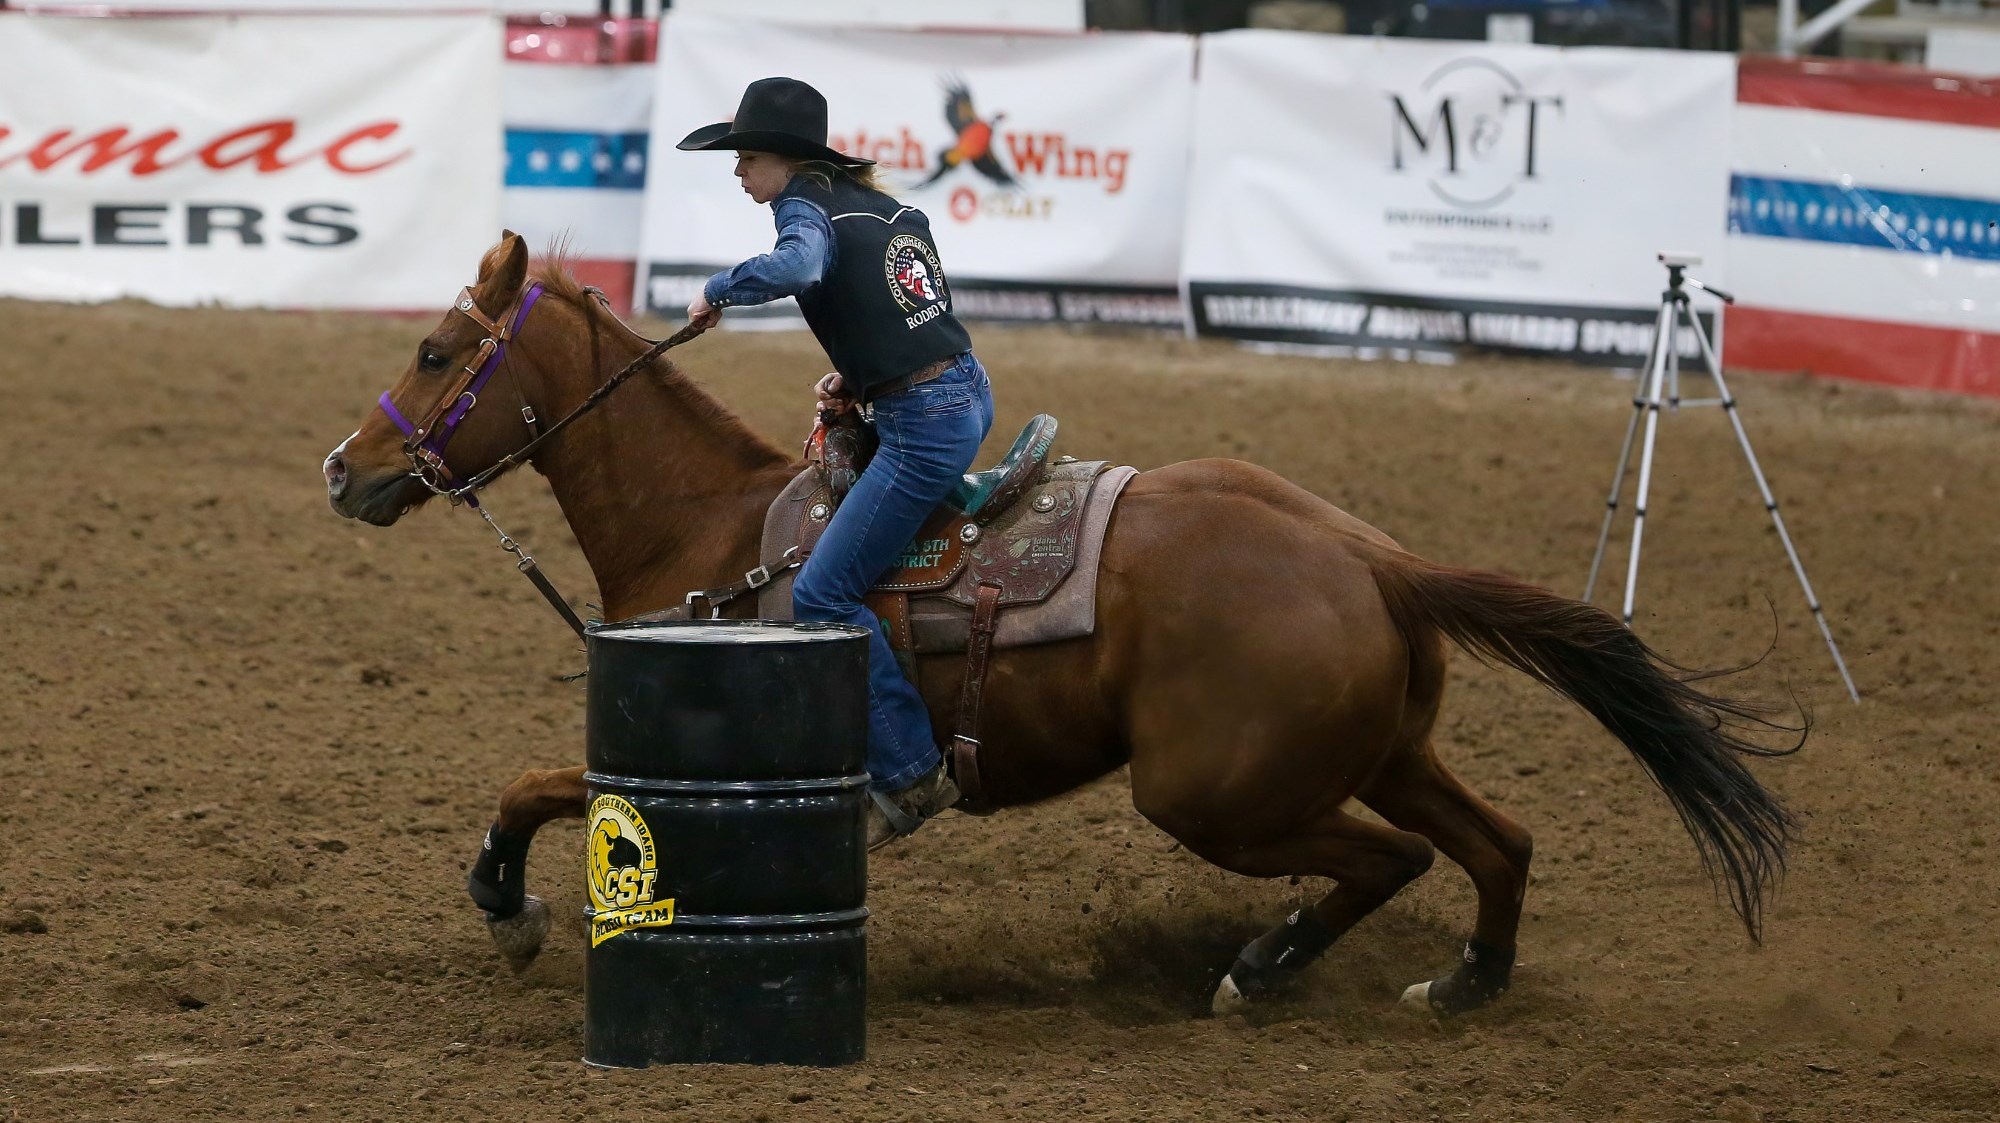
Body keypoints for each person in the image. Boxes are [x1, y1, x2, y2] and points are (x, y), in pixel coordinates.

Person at [678, 77, 995, 849]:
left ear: (784, 161)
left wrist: (719, 290)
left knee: (821, 592)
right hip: (966, 390)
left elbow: (797, 270)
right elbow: (907, 307)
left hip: (924, 423)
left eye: (746, 157)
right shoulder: (884, 206)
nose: (737, 171)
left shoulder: (804, 209)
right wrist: (859, 379)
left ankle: (912, 772)